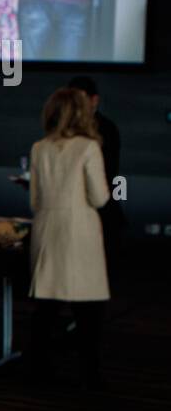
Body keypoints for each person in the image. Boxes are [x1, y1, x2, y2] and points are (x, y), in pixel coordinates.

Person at [27, 87, 109, 389]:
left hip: (47, 227)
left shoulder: (39, 147)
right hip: (79, 230)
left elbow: (34, 201)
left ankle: (39, 372)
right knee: (89, 311)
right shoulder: (88, 147)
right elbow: (100, 198)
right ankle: (90, 376)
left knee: (46, 308)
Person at [67, 76, 123, 273]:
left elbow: (107, 172)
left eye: (80, 100)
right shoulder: (63, 129)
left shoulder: (106, 129)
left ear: (94, 100)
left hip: (96, 206)